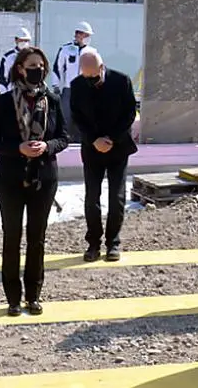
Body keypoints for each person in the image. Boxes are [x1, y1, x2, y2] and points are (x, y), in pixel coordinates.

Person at [0, 46, 70, 316]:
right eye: (33, 65)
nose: (40, 70)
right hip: (10, 177)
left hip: (43, 177)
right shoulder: (4, 102)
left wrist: (47, 146)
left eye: (42, 65)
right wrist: (17, 148)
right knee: (12, 236)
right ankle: (12, 297)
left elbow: (64, 138)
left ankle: (33, 295)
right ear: (21, 68)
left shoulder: (52, 100)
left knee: (37, 237)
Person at [69, 47, 137, 263]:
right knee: (92, 198)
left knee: (116, 197)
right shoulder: (77, 86)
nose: (90, 80)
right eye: (86, 75)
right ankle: (93, 243)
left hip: (117, 147)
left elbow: (129, 113)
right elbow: (77, 118)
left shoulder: (121, 81)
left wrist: (112, 139)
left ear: (102, 67)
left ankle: (113, 243)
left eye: (94, 75)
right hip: (92, 148)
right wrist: (93, 140)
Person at [51, 21, 93, 138]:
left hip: (85, 89)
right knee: (66, 114)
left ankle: (81, 138)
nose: (87, 38)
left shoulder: (92, 52)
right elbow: (57, 68)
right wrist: (56, 85)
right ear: (78, 34)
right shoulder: (66, 49)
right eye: (86, 35)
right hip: (68, 88)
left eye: (88, 35)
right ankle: (65, 137)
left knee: (83, 114)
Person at [0, 28, 33, 94]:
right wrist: (4, 94)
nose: (24, 42)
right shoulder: (7, 57)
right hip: (12, 94)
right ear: (16, 40)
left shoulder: (33, 56)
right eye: (22, 40)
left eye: (26, 40)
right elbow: (2, 78)